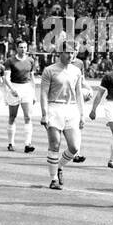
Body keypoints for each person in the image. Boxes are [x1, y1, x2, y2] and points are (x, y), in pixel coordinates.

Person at [39, 38, 88, 190]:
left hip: (71, 109)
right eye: (68, 52)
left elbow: (79, 94)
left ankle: (59, 166)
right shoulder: (49, 70)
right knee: (54, 144)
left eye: (73, 53)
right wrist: (44, 113)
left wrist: (82, 114)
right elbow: (43, 94)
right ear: (60, 52)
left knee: (74, 147)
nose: (71, 56)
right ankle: (53, 179)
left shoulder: (76, 71)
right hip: (54, 108)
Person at [3, 40, 38, 153]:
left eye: (25, 47)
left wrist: (34, 94)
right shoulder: (10, 61)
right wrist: (11, 89)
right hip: (14, 87)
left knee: (28, 117)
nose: (23, 49)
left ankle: (28, 144)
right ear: (17, 48)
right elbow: (6, 78)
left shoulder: (31, 60)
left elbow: (32, 78)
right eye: (21, 47)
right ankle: (10, 143)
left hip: (26, 88)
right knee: (12, 116)